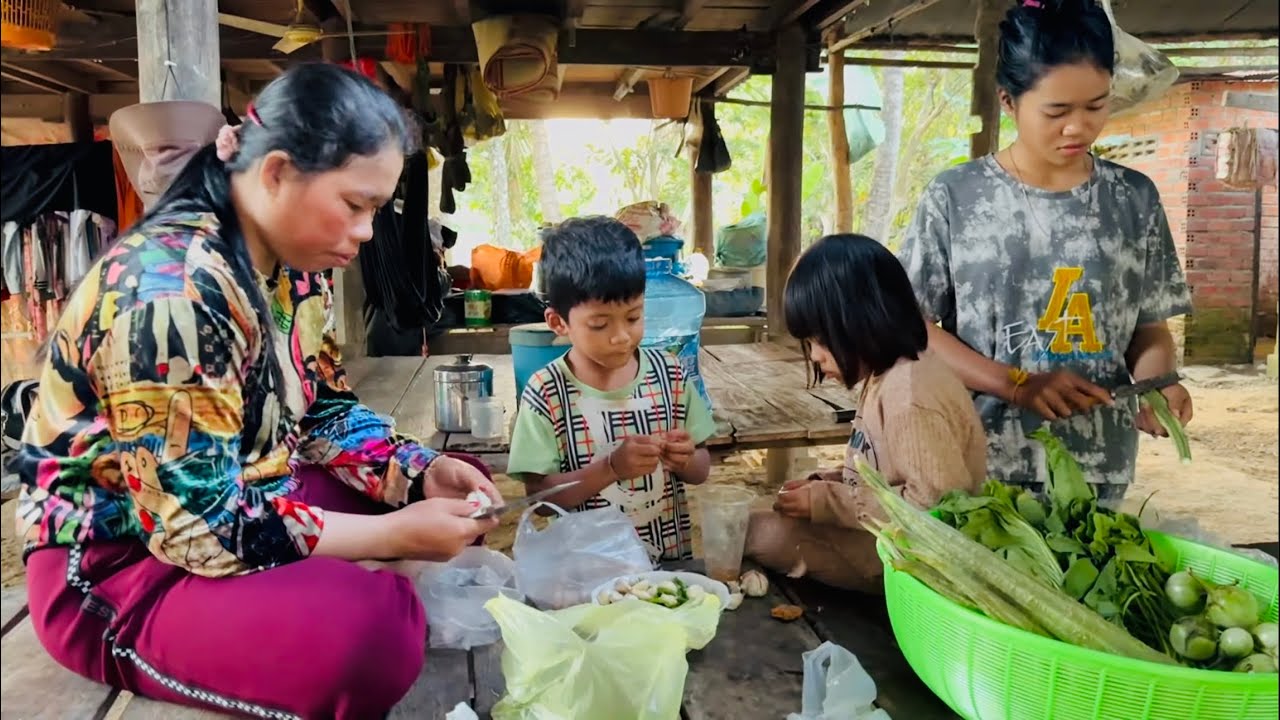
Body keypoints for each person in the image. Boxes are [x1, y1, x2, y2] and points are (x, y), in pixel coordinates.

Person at [11, 63, 501, 720]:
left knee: (457, 486)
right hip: (122, 569)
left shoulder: (294, 272)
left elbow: (324, 413)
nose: (364, 233)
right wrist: (396, 536)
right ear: (274, 172)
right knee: (371, 638)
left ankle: (349, 571)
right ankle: (347, 589)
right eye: (355, 206)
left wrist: (416, 473)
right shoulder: (172, 293)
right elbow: (197, 530)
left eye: (375, 212)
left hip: (241, 497)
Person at [898, 0, 1193, 501]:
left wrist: (1157, 385)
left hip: (1097, 466)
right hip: (977, 460)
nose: (1078, 127)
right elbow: (911, 328)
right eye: (1056, 111)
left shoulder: (1132, 198)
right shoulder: (957, 197)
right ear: (1009, 102)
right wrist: (1015, 384)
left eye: (1096, 106)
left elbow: (1148, 328)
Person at [744, 234, 987, 592]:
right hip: (892, 545)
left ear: (863, 320)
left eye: (820, 341)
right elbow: (883, 473)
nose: (815, 356)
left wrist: (828, 502)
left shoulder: (910, 394)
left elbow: (934, 510)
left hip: (915, 569)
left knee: (756, 534)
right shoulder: (886, 375)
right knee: (758, 521)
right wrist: (830, 482)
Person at [506, 216, 716, 562]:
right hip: (587, 574)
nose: (622, 336)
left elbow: (701, 469)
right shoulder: (546, 393)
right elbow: (540, 500)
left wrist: (686, 458)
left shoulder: (671, 376)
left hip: (666, 570)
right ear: (559, 323)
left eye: (633, 317)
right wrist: (611, 468)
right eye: (600, 324)